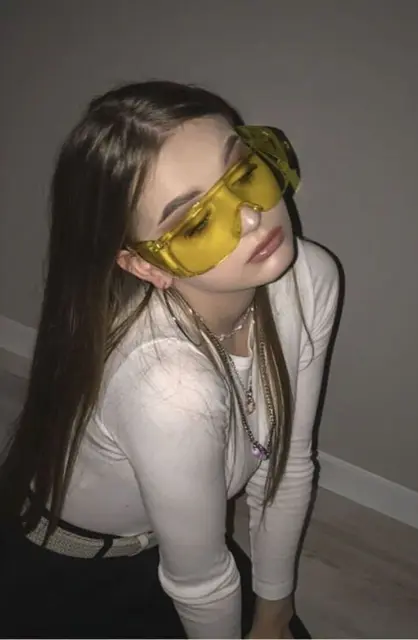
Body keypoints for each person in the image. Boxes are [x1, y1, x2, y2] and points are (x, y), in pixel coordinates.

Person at [0, 80, 339, 639]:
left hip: (173, 543)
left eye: (244, 172)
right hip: (71, 570)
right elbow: (201, 581)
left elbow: (287, 466)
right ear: (145, 265)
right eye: (196, 222)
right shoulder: (168, 385)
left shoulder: (310, 279)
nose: (252, 217)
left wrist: (274, 612)